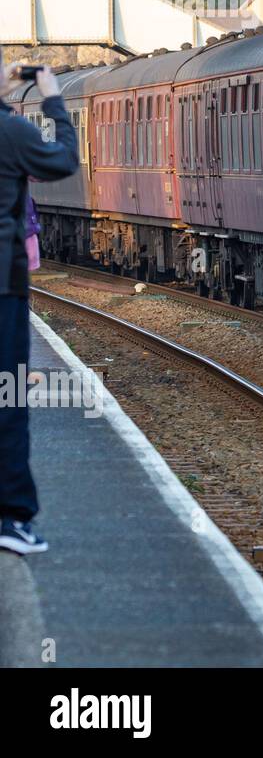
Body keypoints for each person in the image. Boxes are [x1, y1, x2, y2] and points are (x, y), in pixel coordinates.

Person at [0, 53, 78, 554]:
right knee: (7, 400)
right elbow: (64, 159)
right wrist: (52, 99)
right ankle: (10, 519)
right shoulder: (11, 132)